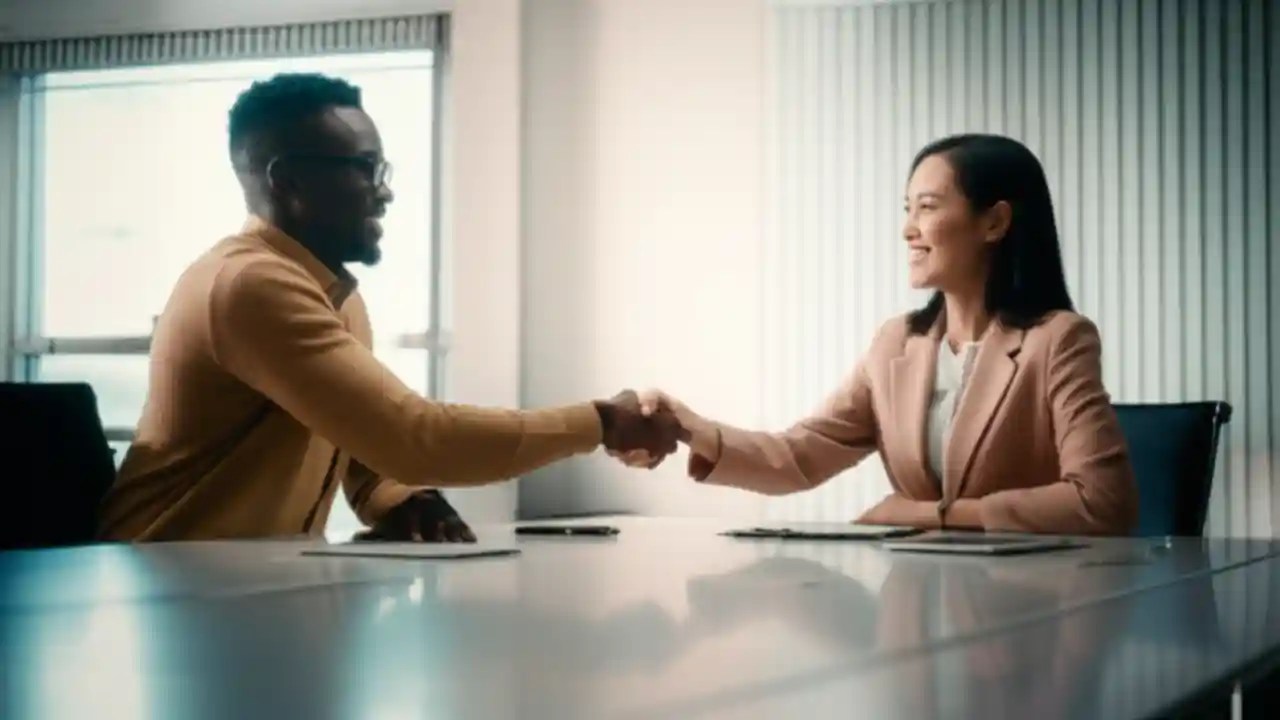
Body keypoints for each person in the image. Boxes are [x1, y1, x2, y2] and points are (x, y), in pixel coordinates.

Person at [98, 73, 679, 542]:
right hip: (157, 581)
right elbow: (412, 436)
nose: (386, 190)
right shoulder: (248, 285)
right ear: (288, 181)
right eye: (365, 168)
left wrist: (401, 499)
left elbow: (357, 445)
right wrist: (601, 421)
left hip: (245, 584)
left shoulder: (327, 293)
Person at [623, 134, 1138, 535]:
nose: (908, 228)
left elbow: (1103, 502)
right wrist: (693, 428)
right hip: (918, 606)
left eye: (929, 207)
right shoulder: (896, 345)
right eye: (907, 209)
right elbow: (799, 457)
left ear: (995, 222)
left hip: (1035, 617)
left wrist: (932, 515)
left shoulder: (1059, 340)